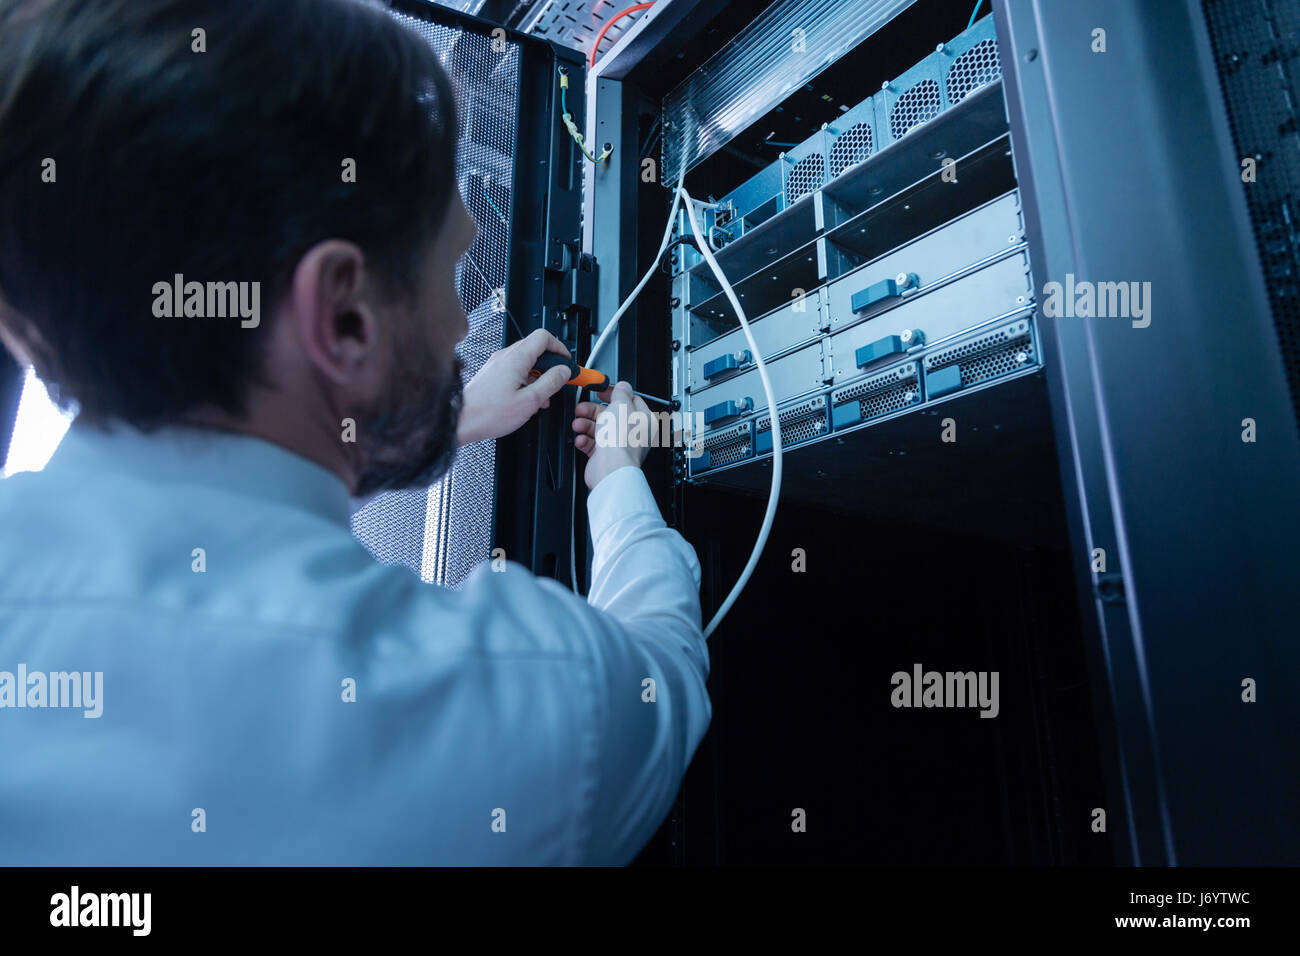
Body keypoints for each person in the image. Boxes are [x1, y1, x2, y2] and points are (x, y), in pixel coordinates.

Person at [0, 0, 709, 865]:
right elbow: (659, 679)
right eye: (452, 269)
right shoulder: (465, 709)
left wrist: (440, 418)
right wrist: (623, 482)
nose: (461, 326)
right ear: (340, 315)